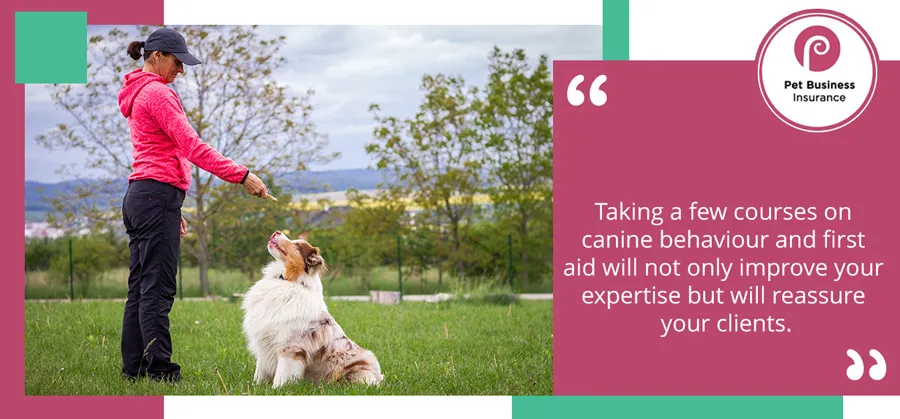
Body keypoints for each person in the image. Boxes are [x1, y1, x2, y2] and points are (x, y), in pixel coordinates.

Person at [117, 27, 269, 383]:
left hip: (145, 195)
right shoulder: (157, 94)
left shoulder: (138, 92)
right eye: (177, 62)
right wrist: (241, 175)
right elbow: (192, 146)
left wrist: (173, 206)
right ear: (156, 56)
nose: (181, 71)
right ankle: (160, 371)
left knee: (140, 286)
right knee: (157, 288)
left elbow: (160, 154)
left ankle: (134, 368)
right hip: (154, 196)